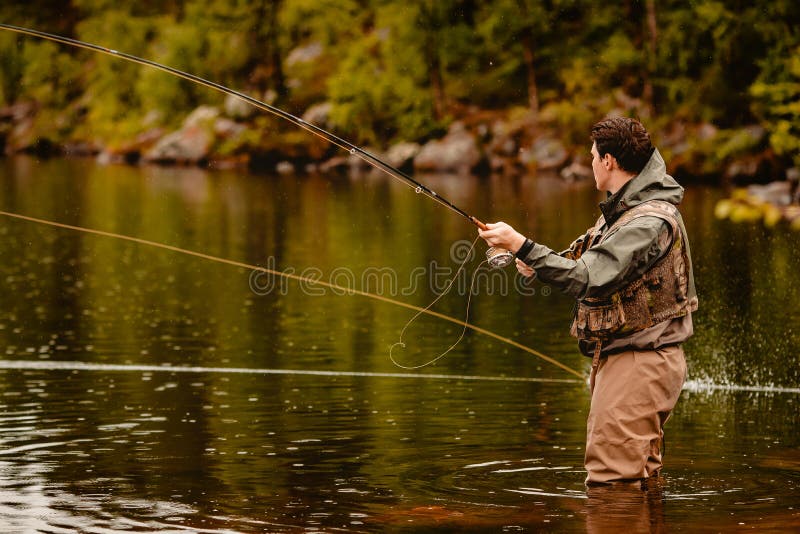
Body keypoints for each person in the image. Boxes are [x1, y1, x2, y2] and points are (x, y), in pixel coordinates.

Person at [478, 117, 697, 485]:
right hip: (632, 360)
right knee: (641, 481)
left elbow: (588, 278)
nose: (591, 162)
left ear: (609, 161)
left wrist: (521, 244)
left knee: (610, 483)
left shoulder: (645, 221)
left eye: (593, 156)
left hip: (639, 364)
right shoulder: (625, 211)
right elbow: (586, 259)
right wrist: (534, 261)